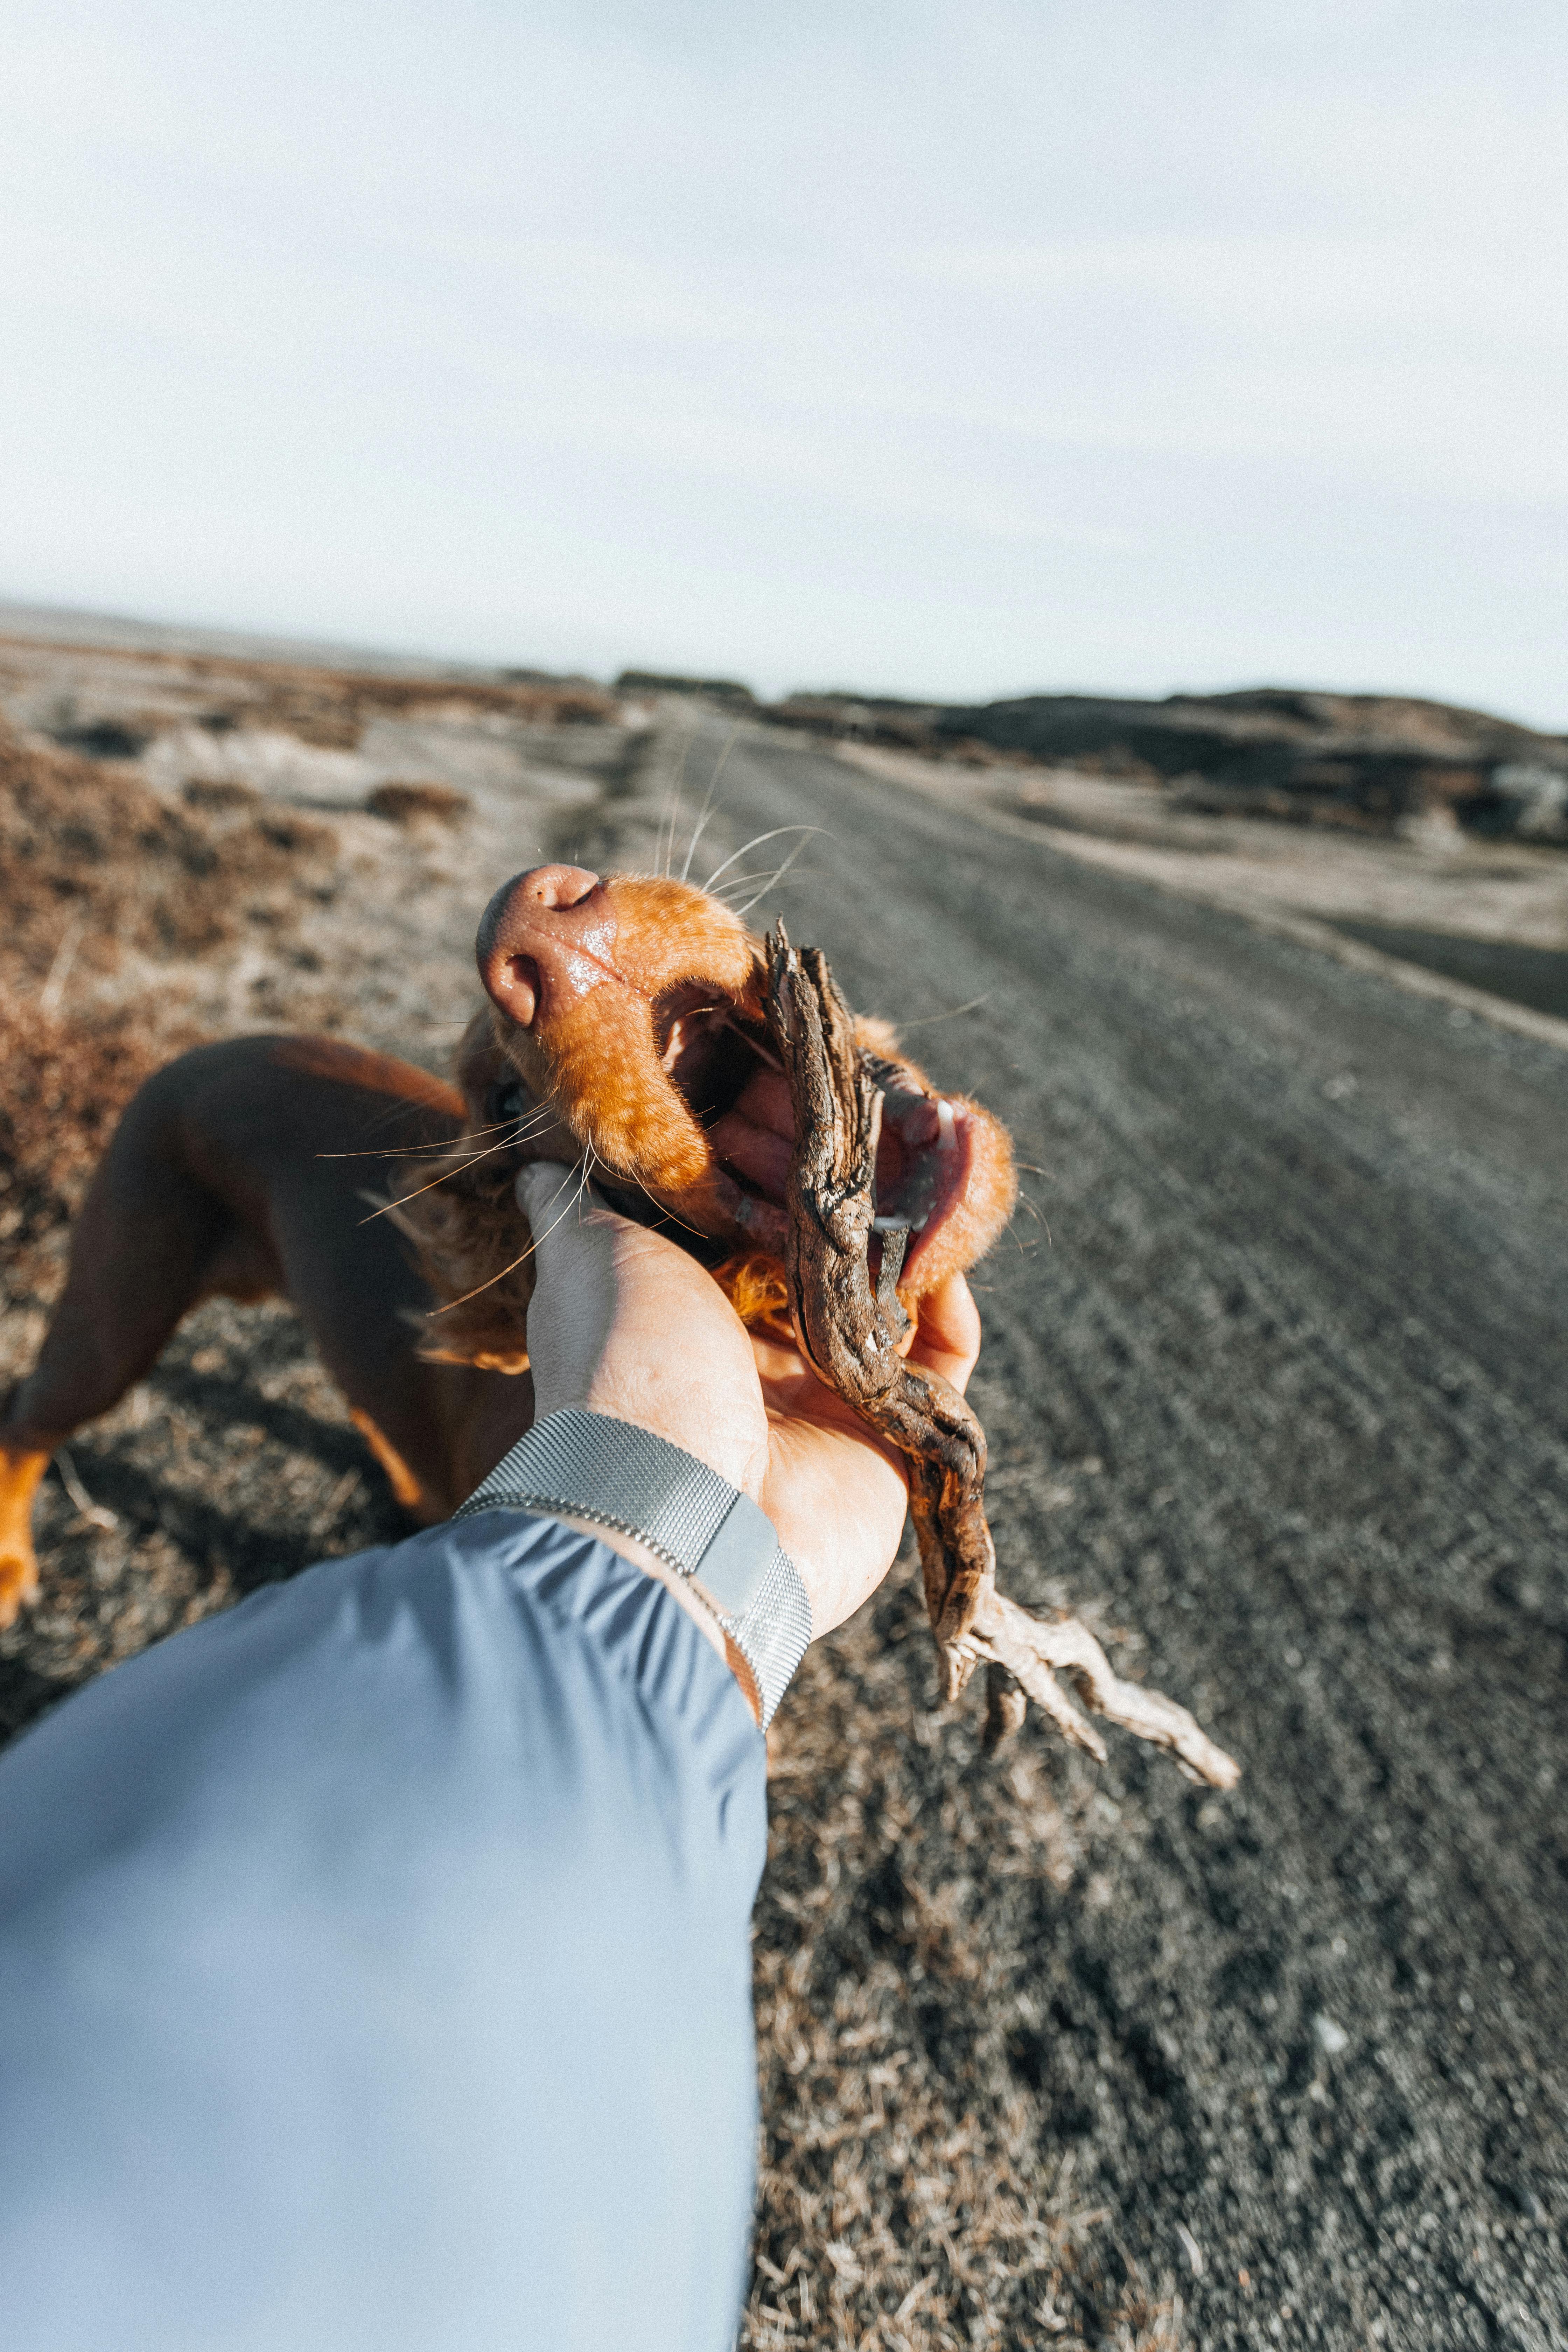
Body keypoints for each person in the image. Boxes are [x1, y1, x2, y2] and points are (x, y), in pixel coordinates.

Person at [0, 1161, 980, 2352]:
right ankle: (18, 1464)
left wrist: (667, 1533)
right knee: (71, 1384)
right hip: (219, 1154)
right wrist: (661, 1556)